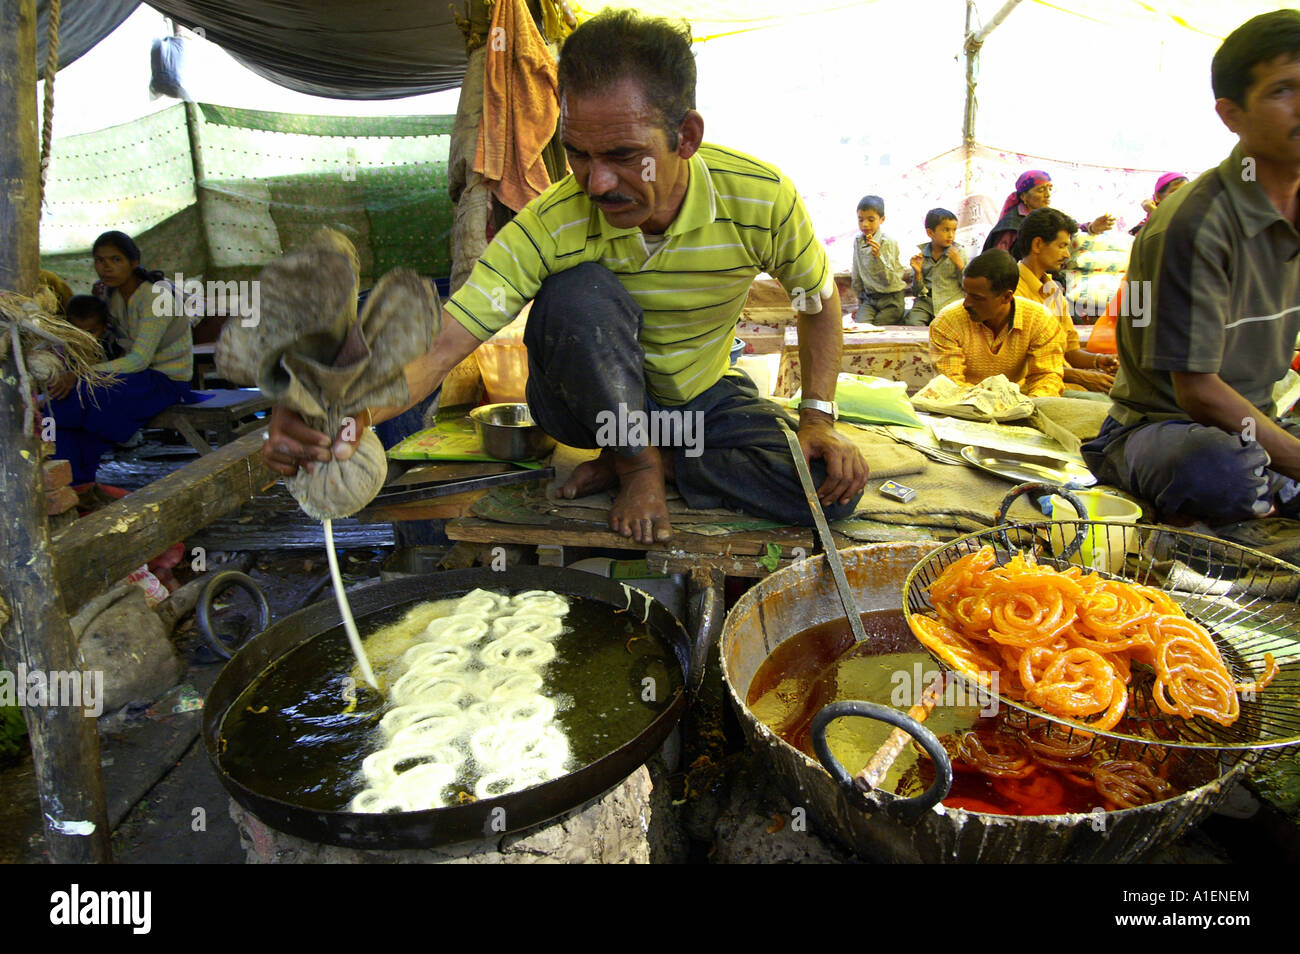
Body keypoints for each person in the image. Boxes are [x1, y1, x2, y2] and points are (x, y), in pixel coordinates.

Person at [263, 10, 868, 543]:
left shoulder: (762, 199)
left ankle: (660, 459)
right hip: (586, 409)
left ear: (685, 136)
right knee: (578, 293)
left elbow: (817, 303)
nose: (596, 181)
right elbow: (445, 341)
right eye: (578, 152)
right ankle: (634, 463)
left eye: (624, 155)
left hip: (699, 399)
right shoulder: (553, 221)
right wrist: (352, 412)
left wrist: (817, 416)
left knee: (828, 486)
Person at [1082, 10, 1300, 524]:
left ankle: (1274, 482)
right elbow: (1197, 392)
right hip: (1167, 428)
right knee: (1219, 470)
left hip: (1259, 422)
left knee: (1253, 463)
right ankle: (1266, 482)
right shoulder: (1197, 223)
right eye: (1283, 91)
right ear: (1232, 115)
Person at [46, 231, 199, 485]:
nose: (106, 267)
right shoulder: (113, 296)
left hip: (165, 381)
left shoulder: (155, 298)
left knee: (82, 400)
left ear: (134, 262)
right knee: (60, 406)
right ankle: (70, 482)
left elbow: (139, 359)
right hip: (134, 377)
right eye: (99, 260)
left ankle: (77, 480)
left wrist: (79, 375)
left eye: (116, 260)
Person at [928, 249, 1065, 398]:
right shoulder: (947, 321)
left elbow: (1047, 377)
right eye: (965, 293)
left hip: (1019, 402)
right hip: (963, 407)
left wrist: (1030, 404)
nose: (966, 303)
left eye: (977, 298)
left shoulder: (1039, 320)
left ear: (1006, 297)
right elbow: (951, 384)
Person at [1012, 208, 1118, 393]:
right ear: (1037, 245)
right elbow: (1020, 362)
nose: (1067, 254)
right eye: (1061, 246)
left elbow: (1070, 350)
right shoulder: (1013, 292)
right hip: (1034, 389)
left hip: (1065, 384)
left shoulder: (1053, 291)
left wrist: (1099, 360)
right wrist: (1081, 376)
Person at [982, 170, 1115, 252]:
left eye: (1049, 188)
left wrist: (1092, 227)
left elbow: (1072, 227)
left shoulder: (1050, 216)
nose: (1048, 194)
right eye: (1040, 190)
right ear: (1023, 196)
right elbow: (999, 258)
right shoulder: (1011, 225)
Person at [849, 195, 908, 325]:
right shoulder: (858, 241)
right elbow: (857, 271)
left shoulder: (887, 242)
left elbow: (891, 279)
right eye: (860, 220)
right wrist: (860, 302)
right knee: (861, 328)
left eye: (871, 220)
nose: (865, 224)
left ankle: (903, 314)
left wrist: (878, 257)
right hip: (870, 299)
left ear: (882, 219)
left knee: (879, 328)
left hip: (891, 299)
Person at [903, 207, 964, 326]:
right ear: (930, 233)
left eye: (954, 230)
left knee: (951, 328)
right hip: (926, 303)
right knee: (912, 323)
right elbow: (917, 292)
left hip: (950, 303)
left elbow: (968, 285)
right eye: (946, 230)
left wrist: (960, 265)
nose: (951, 235)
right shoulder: (921, 256)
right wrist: (918, 273)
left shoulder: (959, 253)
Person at [1129, 172, 1189, 236]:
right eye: (1175, 192)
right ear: (1158, 197)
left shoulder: (1192, 219)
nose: (1183, 196)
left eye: (1186, 191)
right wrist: (1155, 213)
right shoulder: (1144, 229)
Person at [64, 294, 121, 360]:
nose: (84, 336)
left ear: (104, 327)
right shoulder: (63, 345)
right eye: (77, 331)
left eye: (90, 332)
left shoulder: (112, 343)